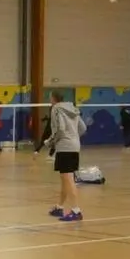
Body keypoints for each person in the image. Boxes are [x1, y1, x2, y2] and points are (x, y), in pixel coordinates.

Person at [44, 91, 86, 221]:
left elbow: (60, 129)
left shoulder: (56, 109)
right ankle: (59, 207)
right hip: (75, 146)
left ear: (53, 98)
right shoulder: (73, 109)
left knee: (68, 179)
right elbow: (83, 128)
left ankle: (76, 210)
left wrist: (50, 142)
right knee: (65, 178)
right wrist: (73, 137)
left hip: (65, 147)